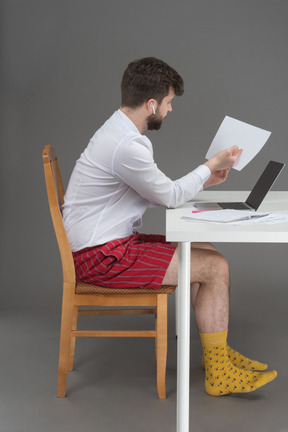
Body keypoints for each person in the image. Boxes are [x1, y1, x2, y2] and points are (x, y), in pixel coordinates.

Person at [62, 57, 277, 396]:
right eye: (168, 102)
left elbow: (157, 193)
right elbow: (171, 196)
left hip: (106, 245)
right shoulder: (126, 145)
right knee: (215, 267)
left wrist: (205, 180)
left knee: (205, 251)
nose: (170, 109)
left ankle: (215, 356)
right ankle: (219, 373)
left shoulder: (117, 131)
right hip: (101, 256)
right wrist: (208, 167)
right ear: (152, 104)